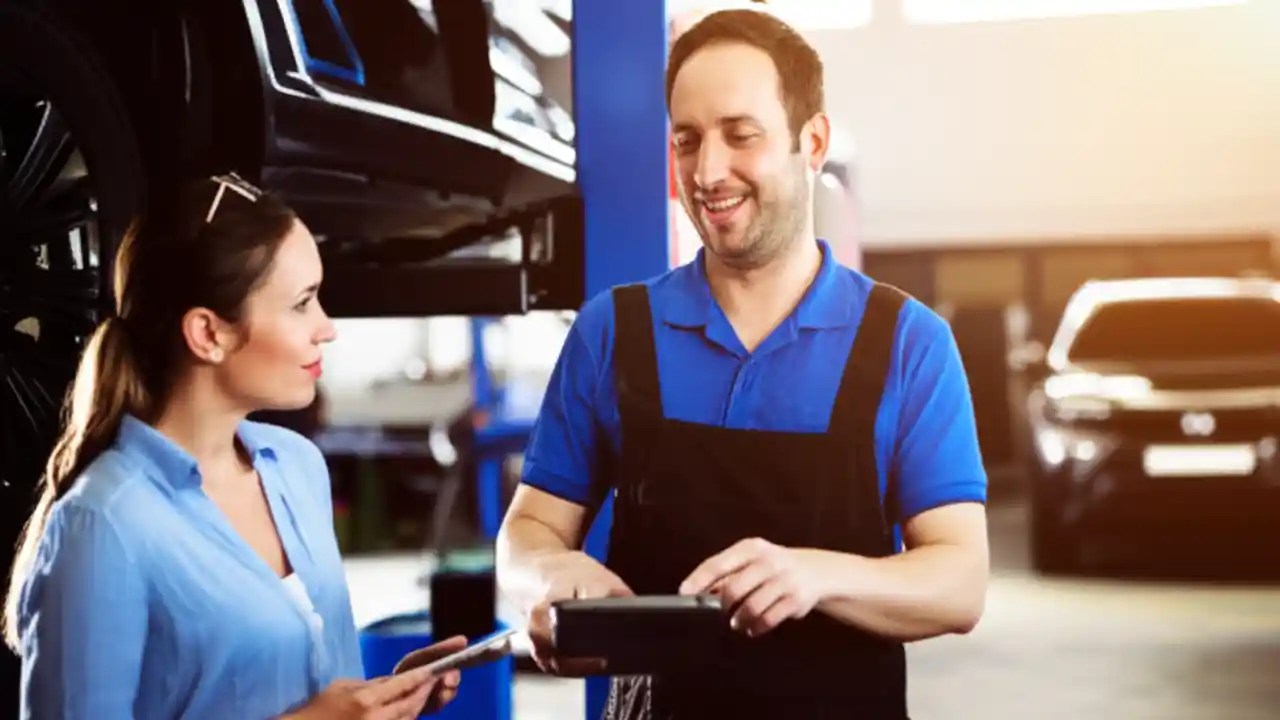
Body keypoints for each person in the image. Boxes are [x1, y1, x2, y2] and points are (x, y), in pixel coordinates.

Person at [496, 9, 990, 719]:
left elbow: (960, 581)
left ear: (811, 142)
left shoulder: (906, 344)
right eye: (687, 140)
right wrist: (547, 574)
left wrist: (812, 576)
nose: (707, 171)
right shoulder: (613, 331)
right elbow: (528, 530)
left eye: (740, 135)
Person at [3, 174, 465, 719]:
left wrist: (382, 700)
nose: (327, 329)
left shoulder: (297, 466)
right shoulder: (103, 526)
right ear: (209, 334)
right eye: (302, 304)